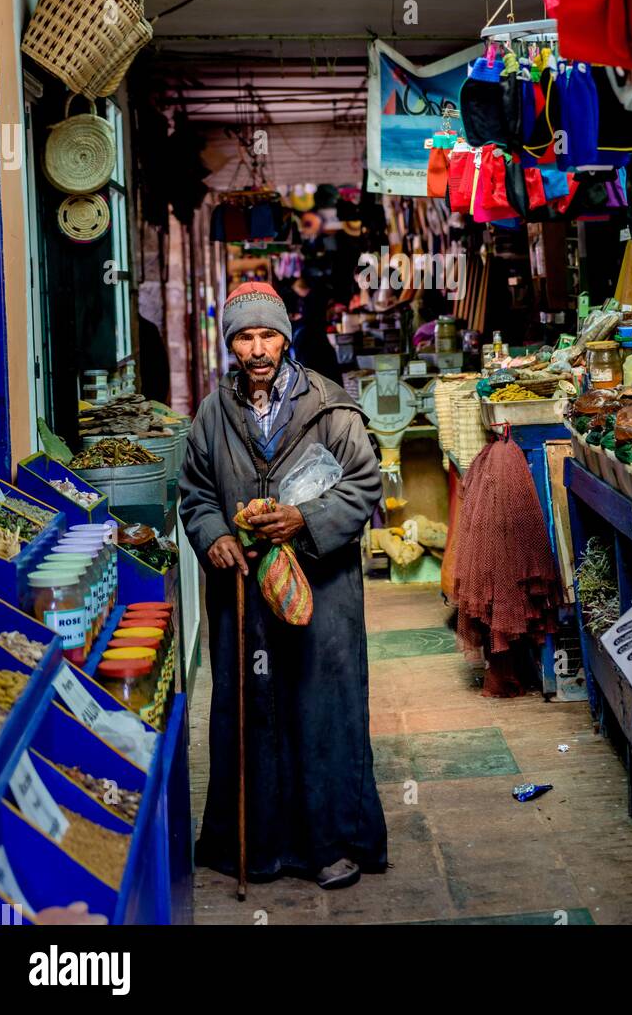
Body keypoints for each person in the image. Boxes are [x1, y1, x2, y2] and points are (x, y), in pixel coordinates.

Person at [178, 281, 386, 889]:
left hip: (321, 585)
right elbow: (195, 492)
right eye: (245, 336)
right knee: (252, 708)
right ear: (232, 346)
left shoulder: (330, 406)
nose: (258, 348)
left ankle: (333, 844)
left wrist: (305, 518)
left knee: (323, 705)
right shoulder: (213, 414)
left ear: (285, 338)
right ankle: (258, 847)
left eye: (268, 334)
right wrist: (213, 532)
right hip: (244, 584)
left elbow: (364, 486)